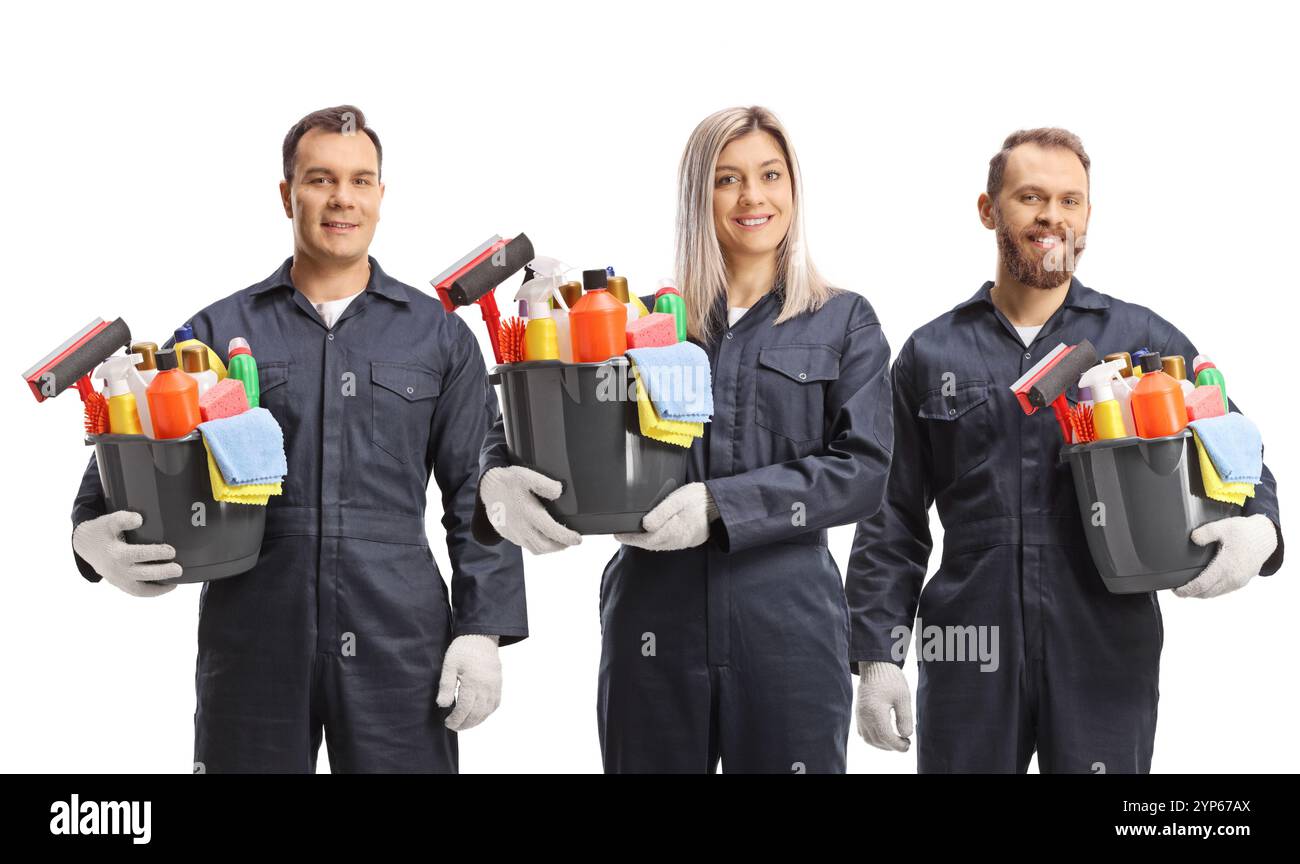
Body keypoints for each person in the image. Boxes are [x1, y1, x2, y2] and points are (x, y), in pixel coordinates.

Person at [70, 105, 526, 773]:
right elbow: (124, 457)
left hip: (398, 634)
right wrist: (89, 539)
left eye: (361, 181)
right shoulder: (212, 335)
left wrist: (483, 628)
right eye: (320, 179)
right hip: (255, 632)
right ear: (287, 194)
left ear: (379, 194)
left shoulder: (437, 338)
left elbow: (479, 493)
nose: (343, 198)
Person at [847, 127, 1283, 773]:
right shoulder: (931, 350)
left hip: (1105, 627)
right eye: (1031, 196)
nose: (1053, 216)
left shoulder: (1139, 339)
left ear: (1087, 216)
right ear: (989, 210)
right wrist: (879, 652)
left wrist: (1260, 526)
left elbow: (1233, 445)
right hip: (970, 635)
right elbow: (892, 516)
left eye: (1070, 201)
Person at [476, 106, 894, 773]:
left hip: (788, 624)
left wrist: (719, 506)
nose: (753, 196)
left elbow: (865, 470)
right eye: (727, 179)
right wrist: (495, 479)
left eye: (770, 175)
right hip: (652, 619)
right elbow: (545, 411)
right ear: (699, 196)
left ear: (794, 189)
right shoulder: (643, 322)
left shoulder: (843, 321)